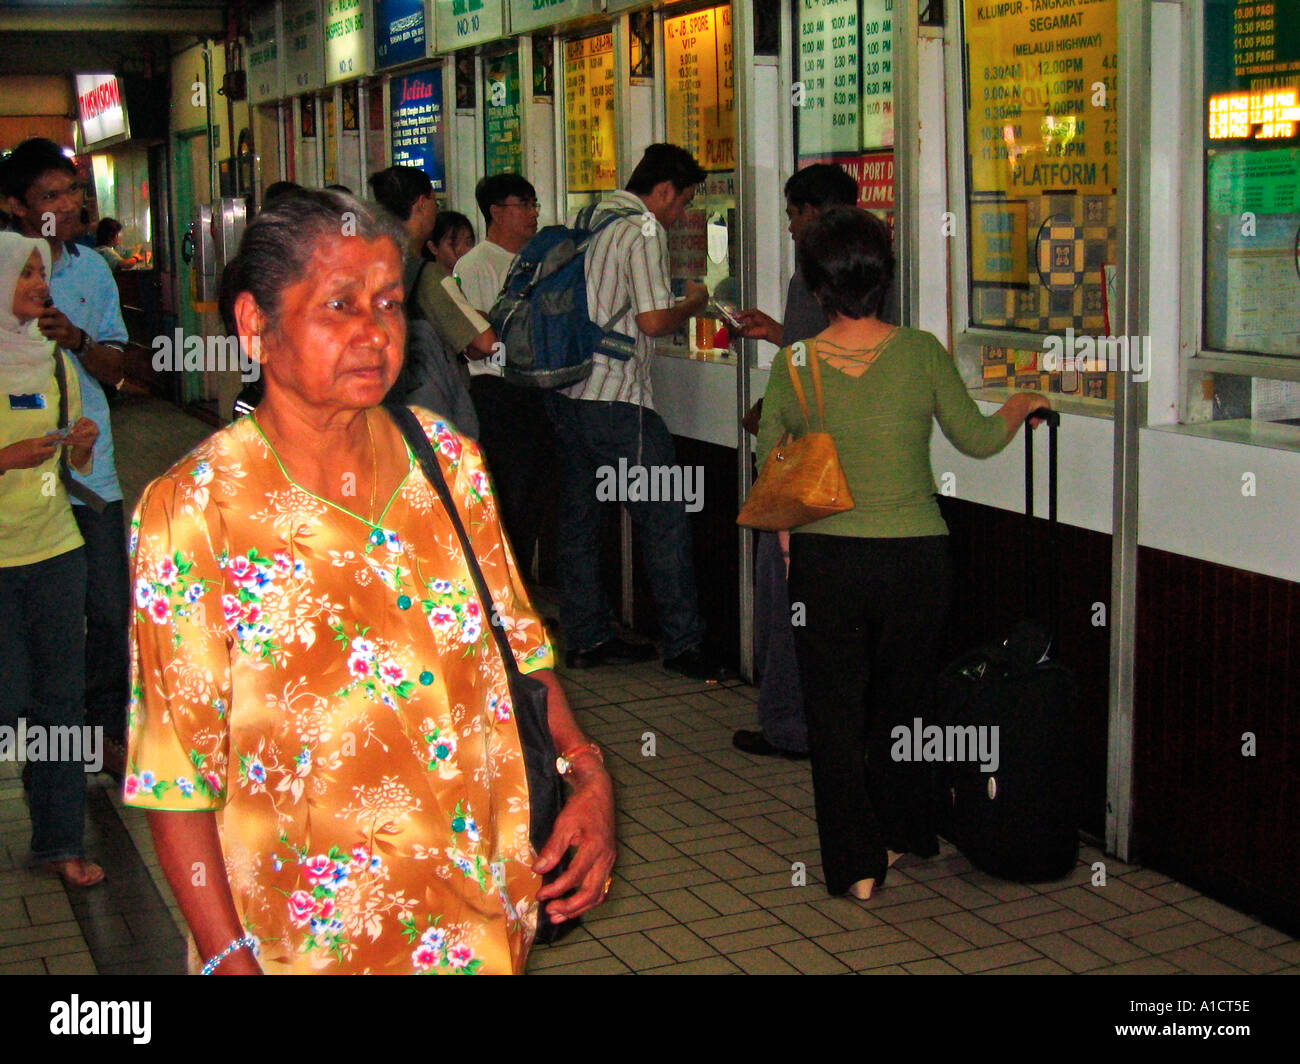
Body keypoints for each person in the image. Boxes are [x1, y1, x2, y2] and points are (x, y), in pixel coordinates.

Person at [124, 190, 615, 974]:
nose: (373, 331)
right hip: (303, 949)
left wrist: (586, 774)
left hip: (482, 929)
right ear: (255, 324)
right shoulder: (195, 511)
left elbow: (519, 652)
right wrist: (225, 962)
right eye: (339, 305)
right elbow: (175, 776)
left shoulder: (445, 463)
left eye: (388, 302)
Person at [757, 206, 1050, 901]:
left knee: (834, 716)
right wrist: (1022, 403)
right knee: (905, 706)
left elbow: (773, 459)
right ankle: (906, 829)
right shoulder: (920, 351)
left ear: (816, 285)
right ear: (883, 277)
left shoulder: (794, 363)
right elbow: (977, 439)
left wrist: (789, 542)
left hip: (830, 562)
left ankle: (857, 866)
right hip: (918, 559)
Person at [547, 143, 724, 680]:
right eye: (683, 202)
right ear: (665, 189)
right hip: (619, 400)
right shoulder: (644, 229)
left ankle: (586, 637)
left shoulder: (588, 217)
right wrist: (696, 302)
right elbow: (651, 322)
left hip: (567, 392)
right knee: (666, 516)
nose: (680, 215)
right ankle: (683, 644)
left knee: (580, 521)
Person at [3, 138, 131, 780]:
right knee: (37, 634)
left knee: (110, 609)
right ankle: (50, 751)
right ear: (15, 207)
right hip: (19, 486)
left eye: (73, 192)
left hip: (91, 473)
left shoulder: (92, 271)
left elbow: (117, 372)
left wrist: (76, 338)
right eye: (50, 197)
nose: (70, 206)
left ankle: (104, 728)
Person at [733, 163, 862, 760]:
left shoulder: (811, 271)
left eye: (792, 213)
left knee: (783, 598)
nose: (789, 227)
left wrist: (764, 413)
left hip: (806, 467)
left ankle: (787, 723)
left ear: (814, 212)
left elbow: (805, 373)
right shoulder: (875, 266)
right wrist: (778, 333)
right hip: (859, 465)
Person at [0, 232, 102, 887]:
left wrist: (82, 445)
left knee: (59, 705)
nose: (40, 283)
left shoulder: (54, 362)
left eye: (41, 271)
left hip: (57, 551)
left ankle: (60, 840)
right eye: (26, 273)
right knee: (12, 702)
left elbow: (75, 461)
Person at [452, 174, 558, 579]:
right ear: (496, 212)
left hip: (537, 390)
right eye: (524, 204)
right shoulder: (474, 265)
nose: (533, 213)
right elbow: (473, 339)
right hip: (496, 391)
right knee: (508, 496)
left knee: (535, 497)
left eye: (535, 204)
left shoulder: (540, 260)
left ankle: (527, 586)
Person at [368, 166, 478, 438]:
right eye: (434, 202)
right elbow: (482, 342)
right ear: (421, 204)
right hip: (426, 414)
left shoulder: (366, 265)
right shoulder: (427, 274)